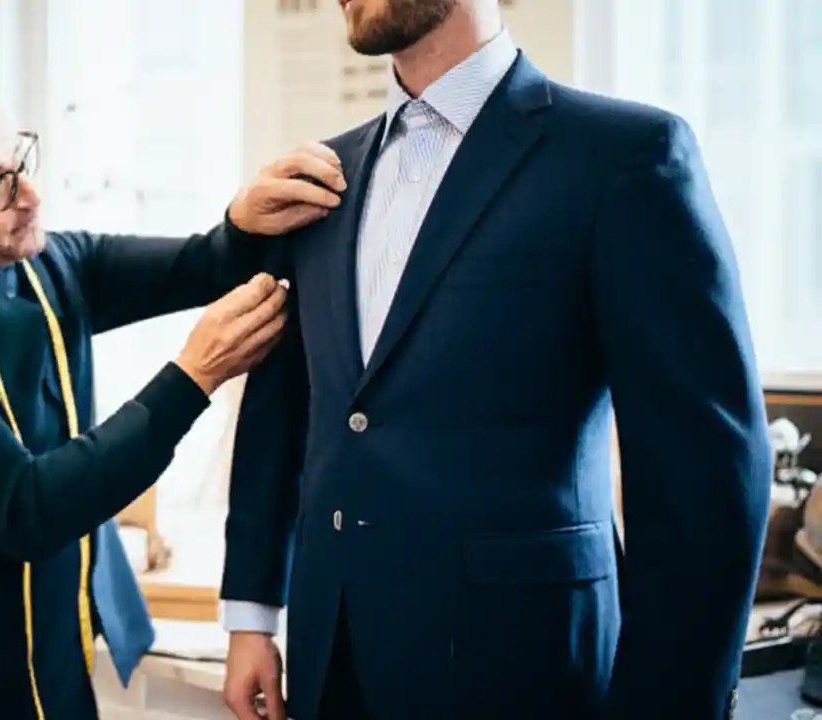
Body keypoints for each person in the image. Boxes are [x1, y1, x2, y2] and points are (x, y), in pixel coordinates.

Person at [219, 1, 773, 718]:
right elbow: (285, 409)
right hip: (335, 659)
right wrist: (252, 614)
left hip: (523, 663)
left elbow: (706, 468)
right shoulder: (321, 179)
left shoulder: (623, 155)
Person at [0, 58, 346, 719]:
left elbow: (201, 262)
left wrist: (243, 224)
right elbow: (30, 509)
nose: (31, 195)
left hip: (61, 663)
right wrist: (195, 376)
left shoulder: (44, 259)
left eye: (20, 160)